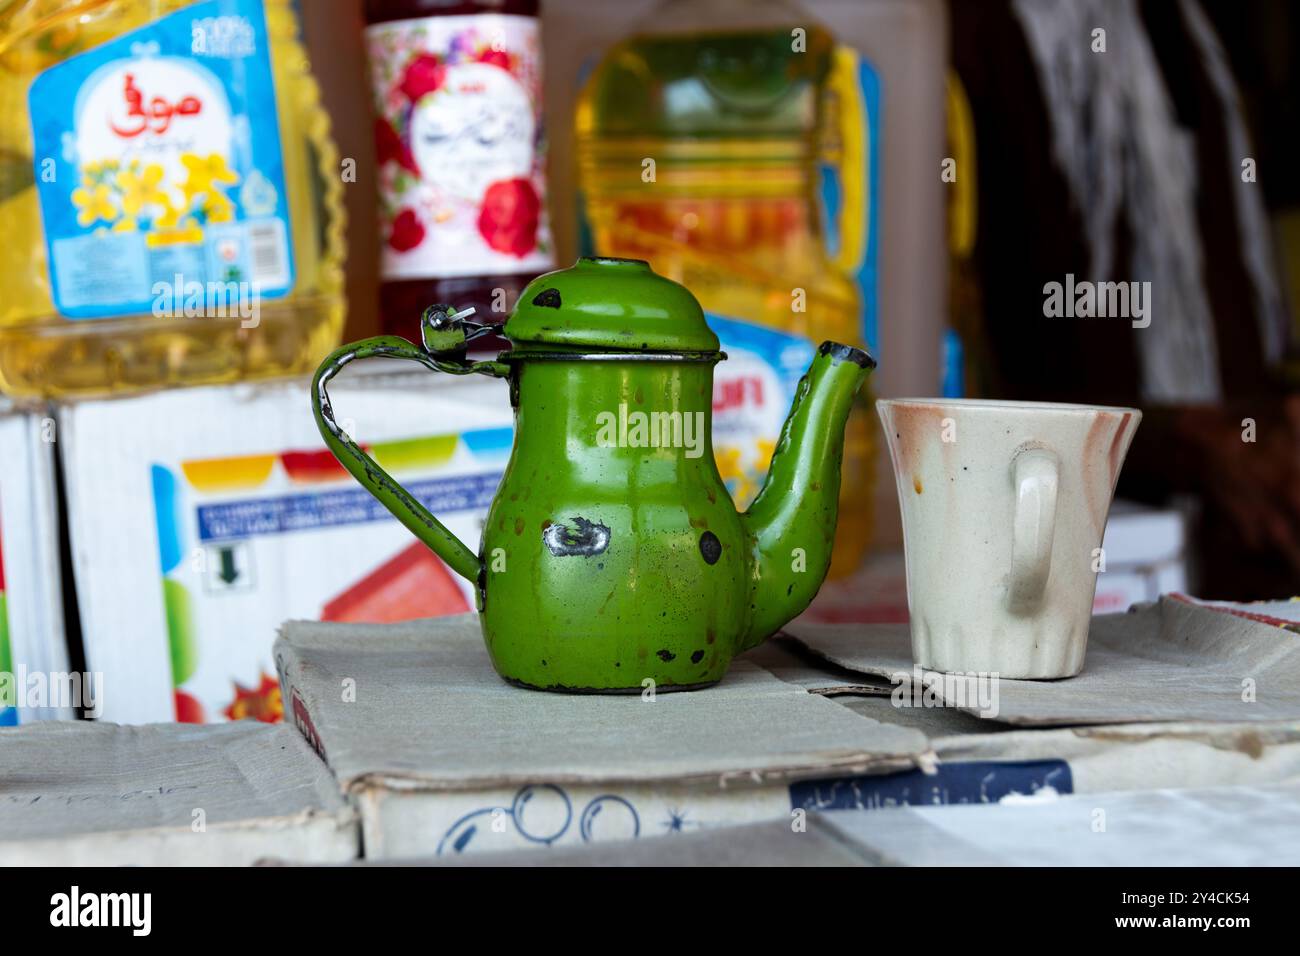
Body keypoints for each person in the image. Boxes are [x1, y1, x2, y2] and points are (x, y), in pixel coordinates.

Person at [950, 0, 1300, 599]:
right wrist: (1186, 442)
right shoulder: (981, 31)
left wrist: (1262, 436)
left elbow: (1238, 311)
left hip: (1238, 543)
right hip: (1078, 554)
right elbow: (970, 380)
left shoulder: (1190, 26)